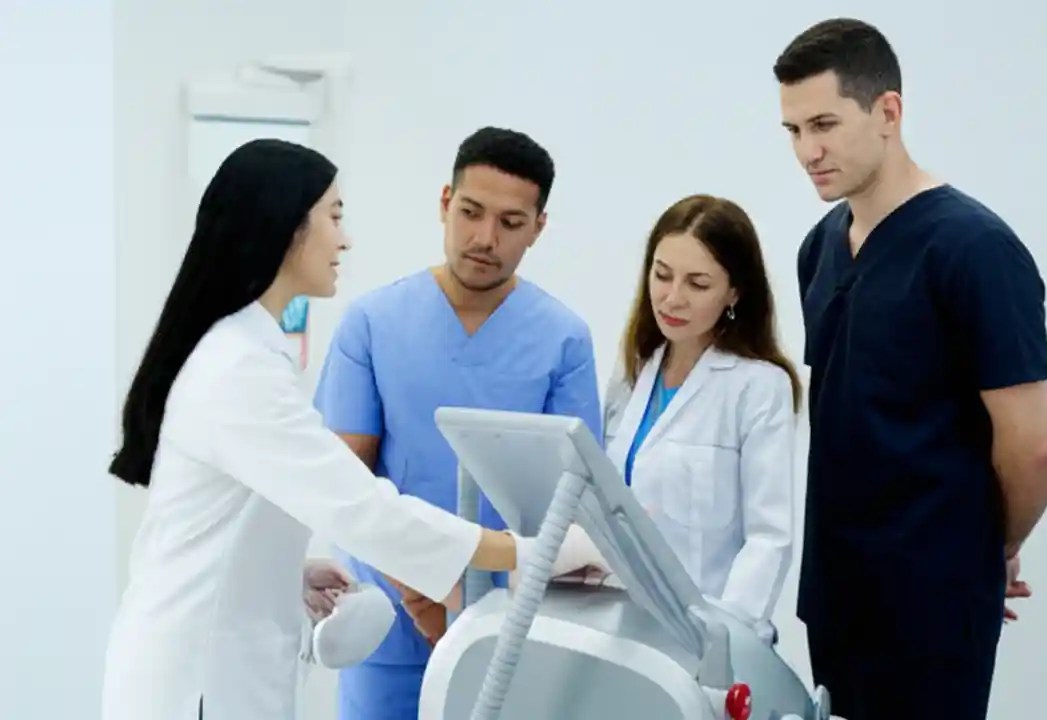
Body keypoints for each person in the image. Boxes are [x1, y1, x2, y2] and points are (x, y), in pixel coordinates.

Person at [99, 138, 554, 720]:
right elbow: (360, 507)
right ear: (288, 228)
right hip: (195, 683)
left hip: (217, 666)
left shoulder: (249, 351)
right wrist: (528, 553)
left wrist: (289, 573)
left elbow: (227, 519)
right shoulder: (237, 368)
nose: (345, 239)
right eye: (334, 217)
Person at [773, 19, 1047, 720]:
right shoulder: (821, 248)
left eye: (824, 124)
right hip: (837, 594)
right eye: (791, 131)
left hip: (930, 601)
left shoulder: (974, 249)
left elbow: (1035, 443)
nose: (808, 150)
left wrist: (994, 544)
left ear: (888, 112)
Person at [312, 126, 604, 720]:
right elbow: (345, 485)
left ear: (538, 228)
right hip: (392, 627)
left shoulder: (562, 340)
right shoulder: (371, 324)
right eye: (471, 212)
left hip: (515, 634)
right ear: (445, 203)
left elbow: (570, 503)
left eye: (510, 223)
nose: (485, 238)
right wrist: (420, 591)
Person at [601, 194, 801, 640]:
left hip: (710, 638)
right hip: (623, 628)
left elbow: (769, 539)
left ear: (734, 291)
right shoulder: (634, 371)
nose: (672, 298)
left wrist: (724, 635)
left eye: (697, 283)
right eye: (662, 275)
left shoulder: (758, 386)